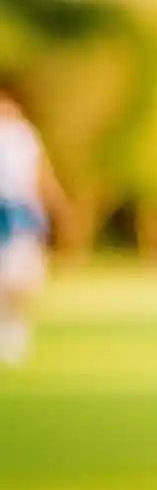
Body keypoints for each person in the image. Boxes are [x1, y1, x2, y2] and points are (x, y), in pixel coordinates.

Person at [0, 76, 69, 366]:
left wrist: (59, 206)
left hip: (21, 214)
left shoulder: (24, 134)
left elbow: (42, 174)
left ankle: (14, 335)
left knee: (22, 278)